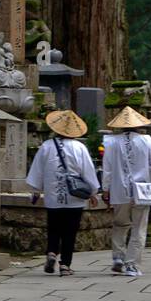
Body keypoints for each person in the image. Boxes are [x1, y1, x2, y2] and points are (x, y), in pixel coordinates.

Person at [27, 109, 99, 276]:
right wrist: (93, 192)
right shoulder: (79, 147)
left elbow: (37, 170)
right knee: (70, 231)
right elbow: (87, 171)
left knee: (54, 227)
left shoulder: (46, 146)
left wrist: (36, 191)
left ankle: (52, 252)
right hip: (75, 196)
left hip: (53, 195)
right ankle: (65, 265)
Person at [102, 106, 151, 277]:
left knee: (120, 225)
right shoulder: (147, 140)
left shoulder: (110, 141)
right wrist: (150, 179)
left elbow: (107, 169)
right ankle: (131, 264)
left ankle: (118, 258)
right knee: (139, 227)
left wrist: (106, 189)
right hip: (142, 191)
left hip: (119, 190)